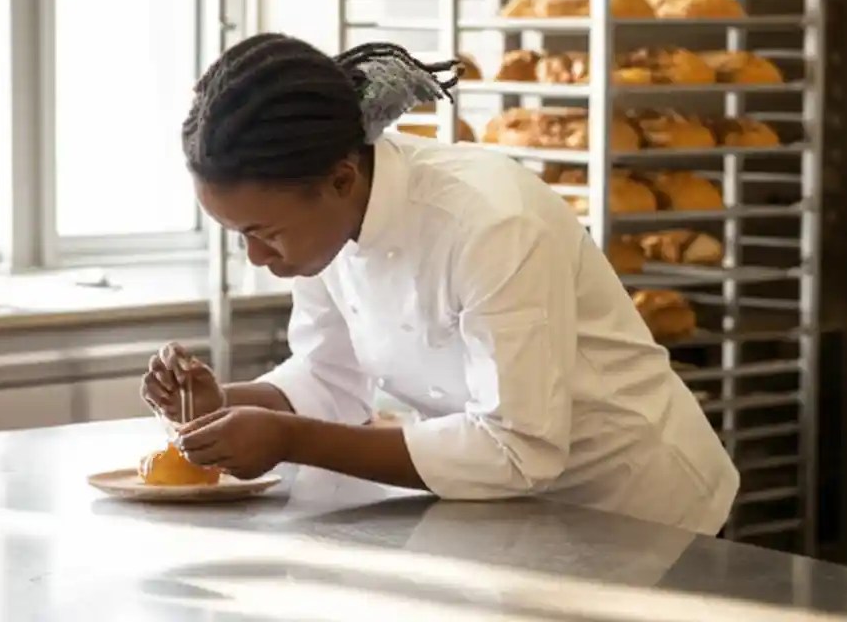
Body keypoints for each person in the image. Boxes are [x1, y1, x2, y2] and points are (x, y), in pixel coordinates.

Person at [142, 33, 739, 534]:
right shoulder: (322, 225)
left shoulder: (492, 223)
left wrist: (288, 439)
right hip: (516, 512)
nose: (254, 255)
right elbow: (331, 376)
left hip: (638, 508)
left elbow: (517, 447)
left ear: (342, 180)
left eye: (264, 232)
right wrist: (225, 404)